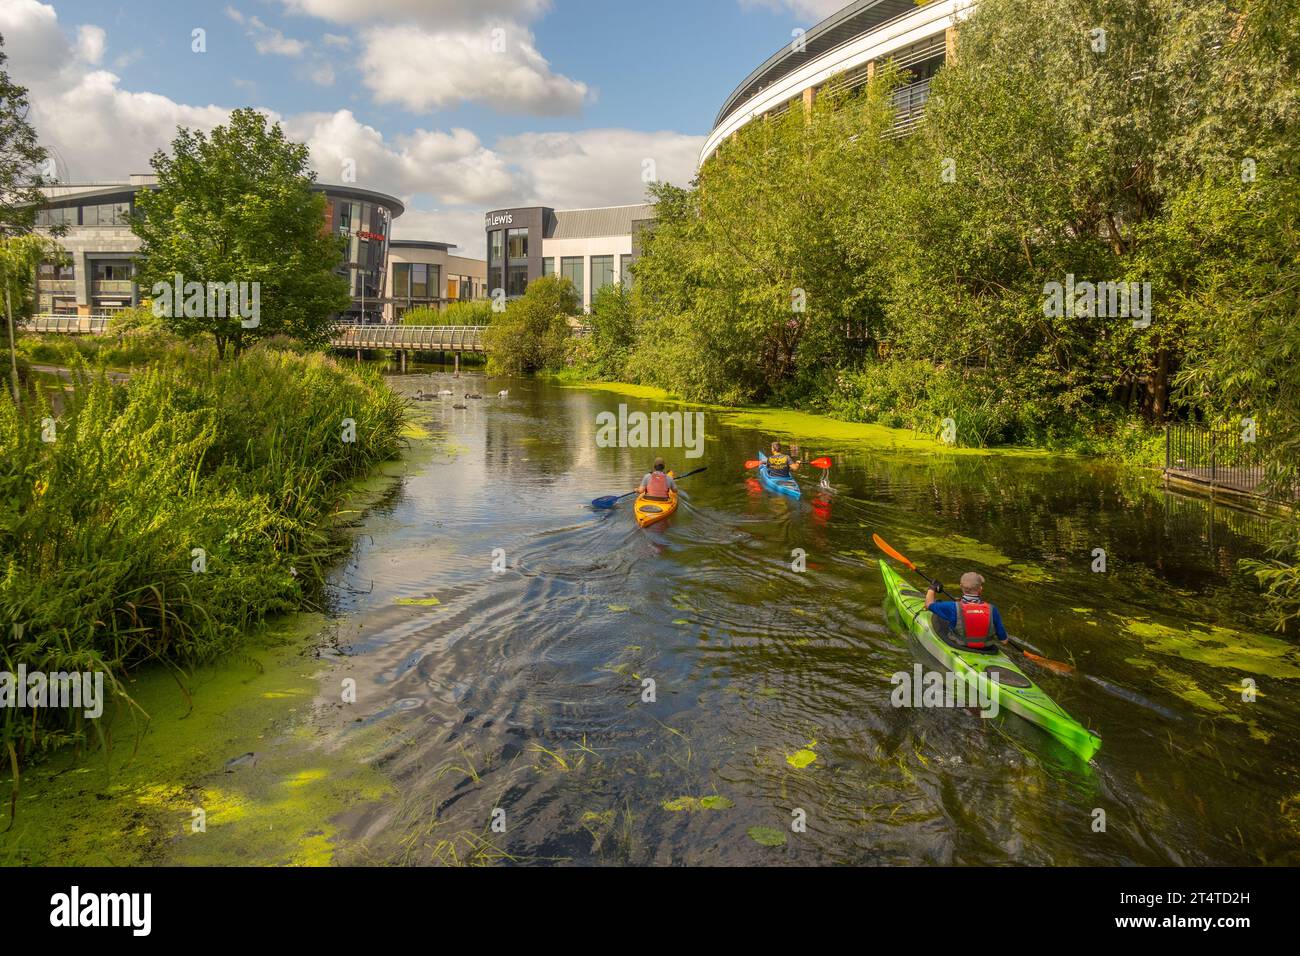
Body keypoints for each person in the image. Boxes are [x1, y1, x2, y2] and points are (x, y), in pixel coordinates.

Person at [925, 572, 1009, 651]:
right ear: (980, 589)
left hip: (960, 645)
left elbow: (928, 604)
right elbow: (1004, 641)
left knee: (942, 618)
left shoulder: (952, 607)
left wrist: (932, 588)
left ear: (961, 586)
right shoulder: (992, 609)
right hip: (986, 648)